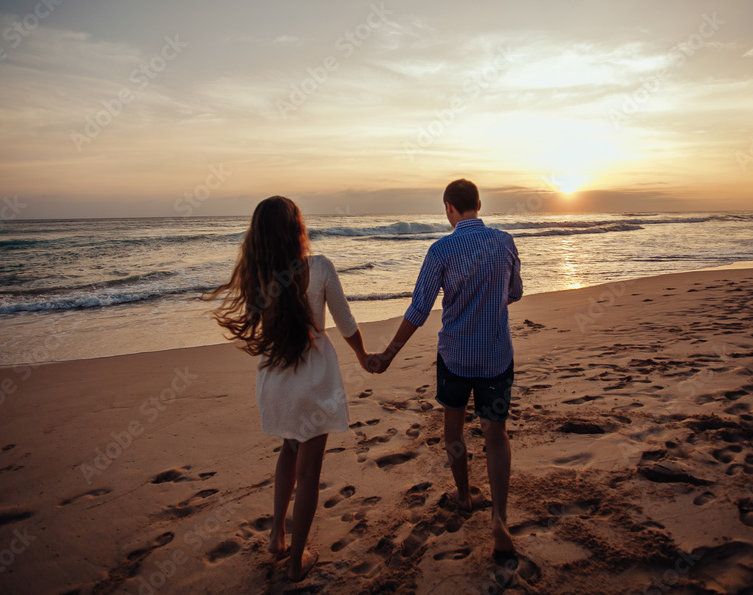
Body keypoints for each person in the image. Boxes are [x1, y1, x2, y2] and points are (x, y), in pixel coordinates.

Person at [203, 196, 372, 582]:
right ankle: (297, 563)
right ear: (297, 229)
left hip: (276, 381)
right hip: (312, 381)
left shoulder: (260, 275)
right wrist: (364, 357)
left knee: (288, 449)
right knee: (309, 471)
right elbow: (346, 325)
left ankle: (278, 536)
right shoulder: (321, 267)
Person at [369, 178, 522, 560]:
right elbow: (515, 292)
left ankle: (465, 495)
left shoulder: (441, 250)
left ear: (448, 208)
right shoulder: (504, 242)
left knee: (453, 425)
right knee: (496, 434)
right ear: (479, 204)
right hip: (495, 356)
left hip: (455, 356)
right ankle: (500, 520)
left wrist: (388, 354)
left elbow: (419, 309)